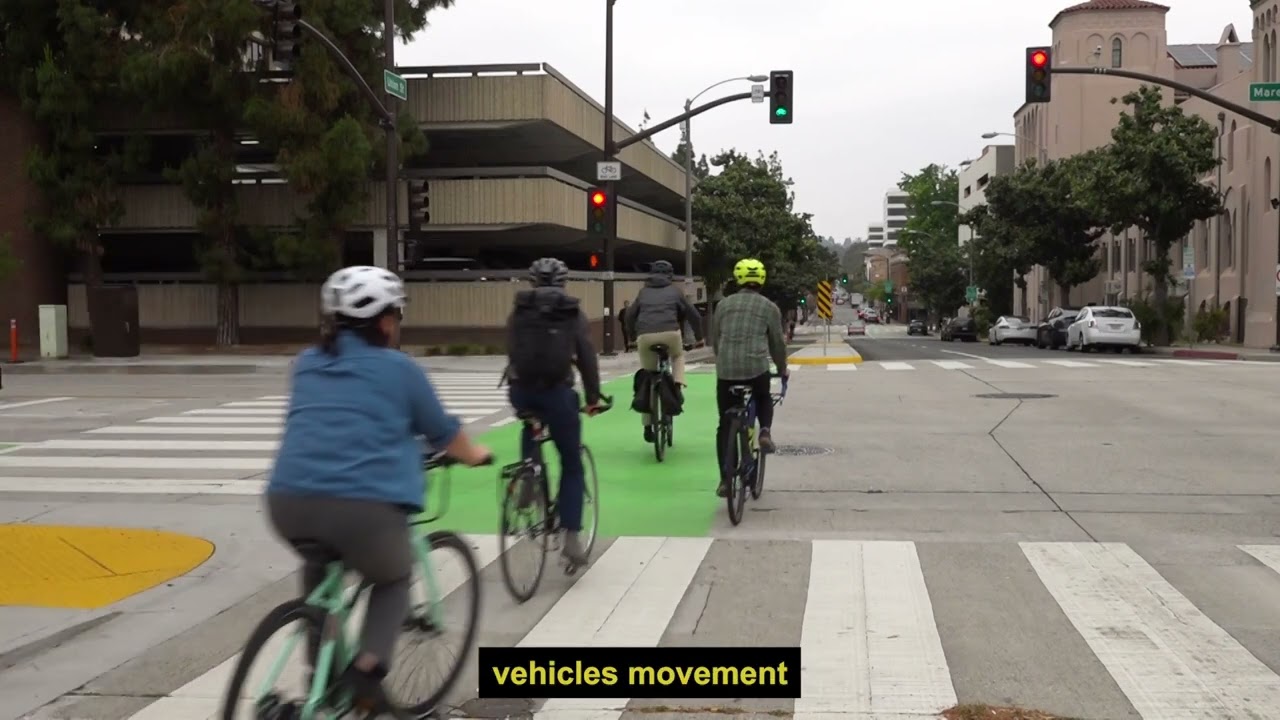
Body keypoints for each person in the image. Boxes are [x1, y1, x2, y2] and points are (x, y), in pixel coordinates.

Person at [265, 265, 493, 712]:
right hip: (361, 511)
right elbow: (444, 433)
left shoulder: (306, 362)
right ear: (386, 322)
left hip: (287, 502)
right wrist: (476, 455)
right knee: (393, 577)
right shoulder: (400, 369)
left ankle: (320, 677)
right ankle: (365, 679)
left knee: (319, 572)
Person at [505, 257, 605, 566]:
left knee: (531, 424)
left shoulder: (519, 310)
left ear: (533, 282)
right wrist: (592, 397)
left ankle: (528, 473)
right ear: (563, 282)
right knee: (571, 463)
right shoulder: (571, 312)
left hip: (521, 392)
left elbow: (512, 351)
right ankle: (571, 538)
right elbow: (586, 357)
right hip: (558, 394)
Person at [710, 258, 789, 498]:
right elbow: (777, 344)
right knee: (763, 397)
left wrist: (723, 359)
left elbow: (716, 340)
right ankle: (764, 432)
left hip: (726, 371)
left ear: (738, 279)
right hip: (756, 368)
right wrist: (782, 368)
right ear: (761, 280)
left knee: (725, 424)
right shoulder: (769, 308)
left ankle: (725, 480)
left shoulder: (722, 305)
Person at [623, 260, 703, 440]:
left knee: (648, 375)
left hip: (645, 336)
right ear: (670, 275)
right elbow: (694, 315)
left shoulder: (643, 292)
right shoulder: (675, 291)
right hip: (671, 334)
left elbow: (629, 315)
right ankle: (677, 386)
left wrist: (632, 336)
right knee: (678, 356)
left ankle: (647, 427)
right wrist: (699, 338)